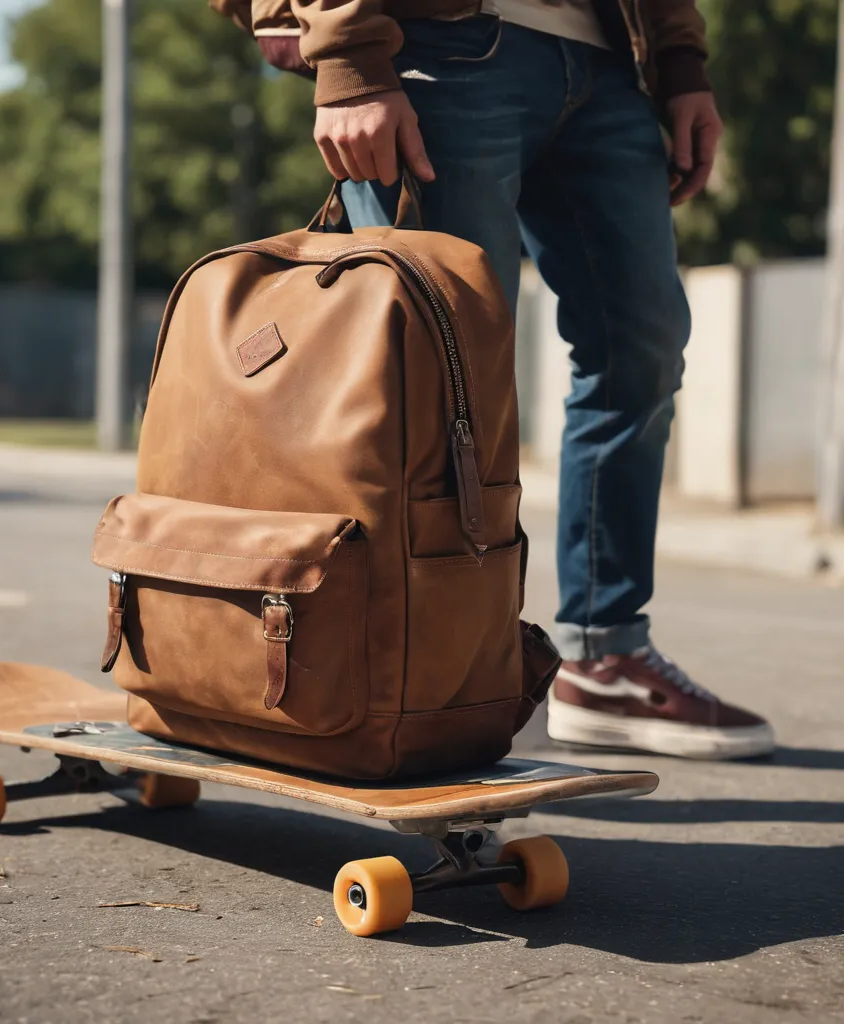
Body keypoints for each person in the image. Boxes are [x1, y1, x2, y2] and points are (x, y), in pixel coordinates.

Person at [215, 0, 776, 760]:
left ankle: (603, 656)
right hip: (438, 47)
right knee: (439, 374)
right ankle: (411, 677)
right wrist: (348, 56)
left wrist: (681, 61)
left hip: (607, 57)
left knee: (639, 350)